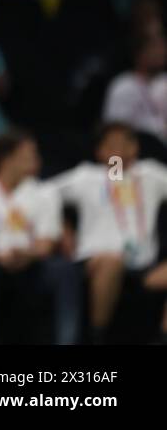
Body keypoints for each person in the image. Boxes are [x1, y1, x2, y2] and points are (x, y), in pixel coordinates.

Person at [0, 129, 78, 344]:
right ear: (6, 159)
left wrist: (26, 254)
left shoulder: (45, 192)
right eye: (29, 155)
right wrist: (1, 257)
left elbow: (46, 244)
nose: (37, 160)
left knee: (65, 269)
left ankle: (68, 340)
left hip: (33, 266)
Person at [49, 122, 167, 343]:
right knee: (112, 262)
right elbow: (43, 196)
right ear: (100, 151)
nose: (119, 149)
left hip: (143, 265)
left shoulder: (151, 174)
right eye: (112, 145)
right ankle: (97, 337)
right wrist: (62, 230)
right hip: (98, 260)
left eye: (126, 143)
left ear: (136, 148)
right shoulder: (86, 177)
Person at [102, 26, 167, 148]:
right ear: (140, 52)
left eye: (163, 46)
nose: (162, 51)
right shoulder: (123, 86)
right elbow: (115, 133)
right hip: (138, 154)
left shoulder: (163, 82)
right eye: (155, 46)